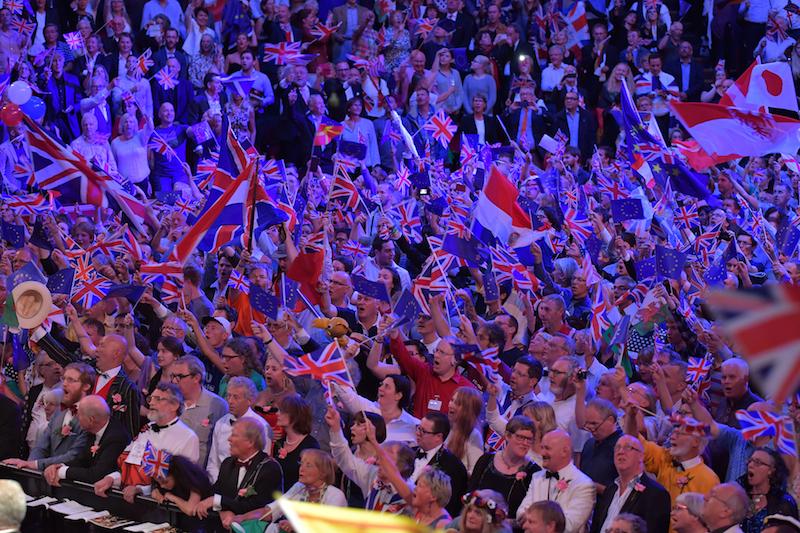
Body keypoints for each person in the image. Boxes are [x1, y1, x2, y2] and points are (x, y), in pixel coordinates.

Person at [194, 418, 283, 530]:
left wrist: (217, 502)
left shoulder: (269, 468)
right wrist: (224, 510)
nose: (229, 439)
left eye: (234, 435)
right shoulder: (227, 463)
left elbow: (257, 507)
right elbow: (216, 492)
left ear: (250, 442)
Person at [516, 429, 596, 533]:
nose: (542, 453)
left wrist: (534, 521)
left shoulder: (583, 484)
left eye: (547, 448)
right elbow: (521, 514)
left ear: (564, 451)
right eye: (542, 448)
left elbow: (570, 526)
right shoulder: (537, 477)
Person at [42, 395, 131, 485]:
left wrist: (62, 472)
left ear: (91, 420)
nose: (76, 417)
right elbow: (82, 460)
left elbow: (96, 475)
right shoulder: (92, 429)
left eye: (79, 414)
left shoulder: (117, 438)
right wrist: (60, 466)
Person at [591, 435, 671, 533]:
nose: (620, 452)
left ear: (641, 456)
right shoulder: (610, 490)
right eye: (617, 448)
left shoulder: (655, 493)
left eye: (628, 447)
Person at [469, 416, 540, 519]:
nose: (525, 443)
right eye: (520, 437)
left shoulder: (534, 472)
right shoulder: (485, 460)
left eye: (529, 439)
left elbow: (531, 516)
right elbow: (470, 494)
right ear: (507, 435)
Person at [208, 377, 272, 482]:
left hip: (247, 485)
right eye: (228, 396)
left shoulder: (261, 426)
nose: (230, 401)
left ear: (249, 400)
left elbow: (263, 464)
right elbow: (213, 462)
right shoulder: (220, 423)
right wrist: (217, 484)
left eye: (236, 397)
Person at [171, 355, 229, 467]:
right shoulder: (168, 401)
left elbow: (221, 448)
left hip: (198, 476)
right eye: (173, 376)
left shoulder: (217, 405)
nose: (174, 381)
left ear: (196, 378)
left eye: (179, 377)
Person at [411, 412, 469, 516]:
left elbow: (450, 506)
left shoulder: (454, 467)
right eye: (418, 428)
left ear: (438, 437)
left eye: (423, 431)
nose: (417, 433)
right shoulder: (409, 452)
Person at [738, 448, 799, 533]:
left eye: (757, 462)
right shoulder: (739, 494)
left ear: (771, 470)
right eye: (750, 461)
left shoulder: (783, 502)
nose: (750, 465)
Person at [272, 394, 320, 489]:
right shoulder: (279, 443)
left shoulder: (310, 445)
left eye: (281, 411)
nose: (277, 414)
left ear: (295, 416)